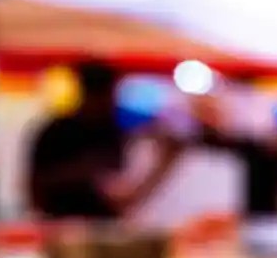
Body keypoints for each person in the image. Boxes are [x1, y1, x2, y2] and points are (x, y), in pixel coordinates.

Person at [28, 62, 182, 219]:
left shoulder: (112, 129)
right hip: (61, 224)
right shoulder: (59, 131)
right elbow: (36, 187)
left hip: (101, 226)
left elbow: (121, 195)